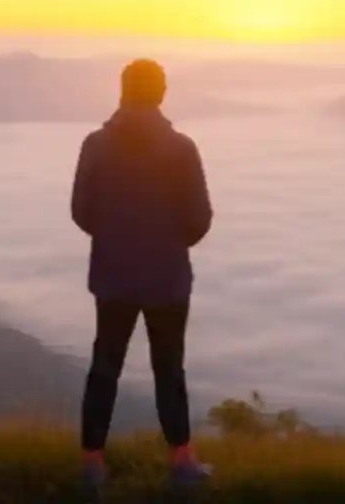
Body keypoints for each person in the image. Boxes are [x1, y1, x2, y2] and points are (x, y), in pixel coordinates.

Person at [71, 58, 213, 493]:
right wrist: (169, 243)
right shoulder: (181, 148)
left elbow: (81, 211)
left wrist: (114, 235)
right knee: (169, 369)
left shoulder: (96, 144)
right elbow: (199, 218)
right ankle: (181, 462)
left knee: (104, 366)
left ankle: (92, 464)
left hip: (112, 276)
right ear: (161, 94)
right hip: (167, 279)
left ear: (122, 91)